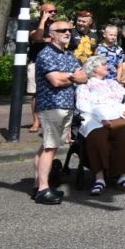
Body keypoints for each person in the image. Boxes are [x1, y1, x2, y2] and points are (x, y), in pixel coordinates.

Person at [31, 18, 89, 204]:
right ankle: (43, 189)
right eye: (62, 30)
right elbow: (55, 81)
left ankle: (38, 185)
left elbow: (83, 77)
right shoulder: (46, 54)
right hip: (51, 105)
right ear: (51, 34)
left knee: (48, 146)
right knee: (50, 147)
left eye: (69, 30)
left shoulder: (69, 55)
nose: (67, 33)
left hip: (66, 105)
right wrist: (72, 76)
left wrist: (69, 77)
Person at [74, 54, 125, 194]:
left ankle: (123, 176)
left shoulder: (112, 83)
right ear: (94, 68)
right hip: (94, 118)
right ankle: (99, 179)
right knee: (98, 138)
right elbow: (82, 105)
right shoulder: (84, 86)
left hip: (116, 115)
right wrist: (101, 118)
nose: (107, 66)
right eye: (103, 65)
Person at [27, 3, 60, 134]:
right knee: (36, 93)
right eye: (50, 11)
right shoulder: (34, 24)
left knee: (54, 92)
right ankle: (36, 121)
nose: (53, 13)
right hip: (36, 62)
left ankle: (51, 121)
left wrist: (47, 40)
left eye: (55, 11)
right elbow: (37, 37)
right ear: (42, 12)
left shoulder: (56, 26)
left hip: (53, 63)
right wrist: (43, 21)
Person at [96, 25, 125, 92]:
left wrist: (118, 79)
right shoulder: (99, 48)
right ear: (104, 35)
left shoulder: (119, 50)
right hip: (100, 79)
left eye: (115, 35)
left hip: (113, 79)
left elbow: (120, 66)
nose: (113, 37)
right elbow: (95, 65)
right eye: (111, 35)